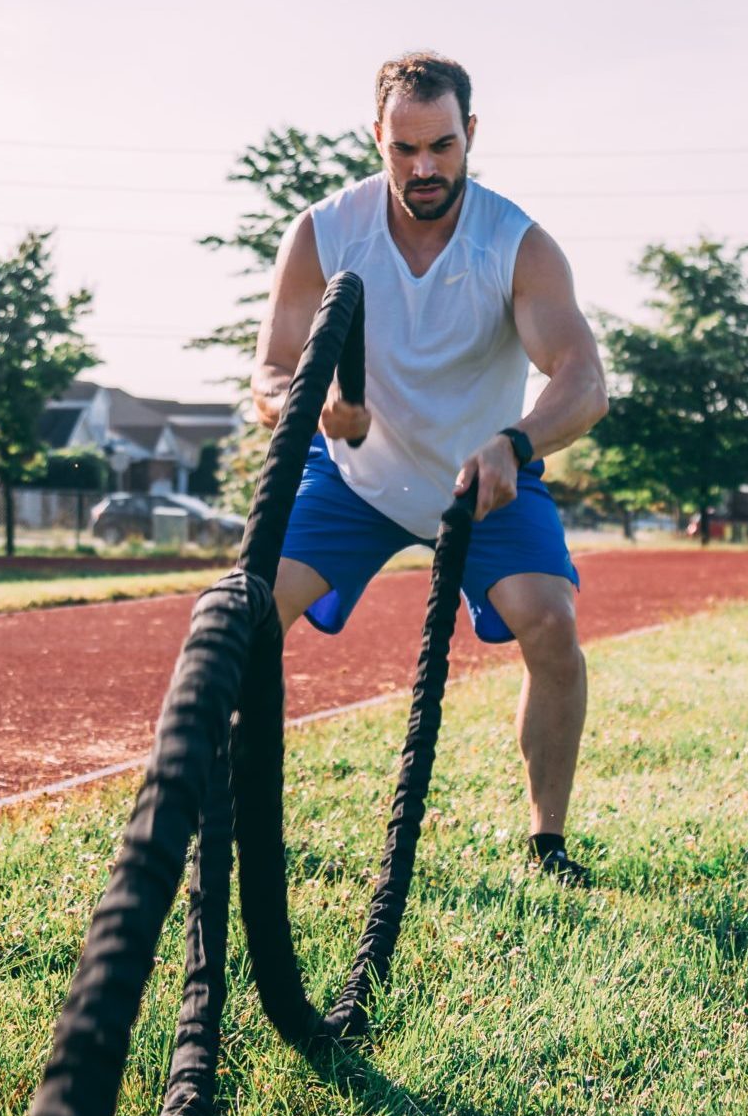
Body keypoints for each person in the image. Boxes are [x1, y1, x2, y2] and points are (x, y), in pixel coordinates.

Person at [252, 51, 607, 884]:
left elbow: (583, 382)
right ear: (375, 137)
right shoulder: (322, 231)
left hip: (481, 477)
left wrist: (514, 443)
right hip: (352, 471)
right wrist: (306, 404)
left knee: (551, 628)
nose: (423, 168)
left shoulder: (515, 242)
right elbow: (267, 373)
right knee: (249, 615)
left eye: (441, 147)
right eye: (403, 148)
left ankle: (546, 843)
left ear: (469, 135)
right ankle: (236, 810)